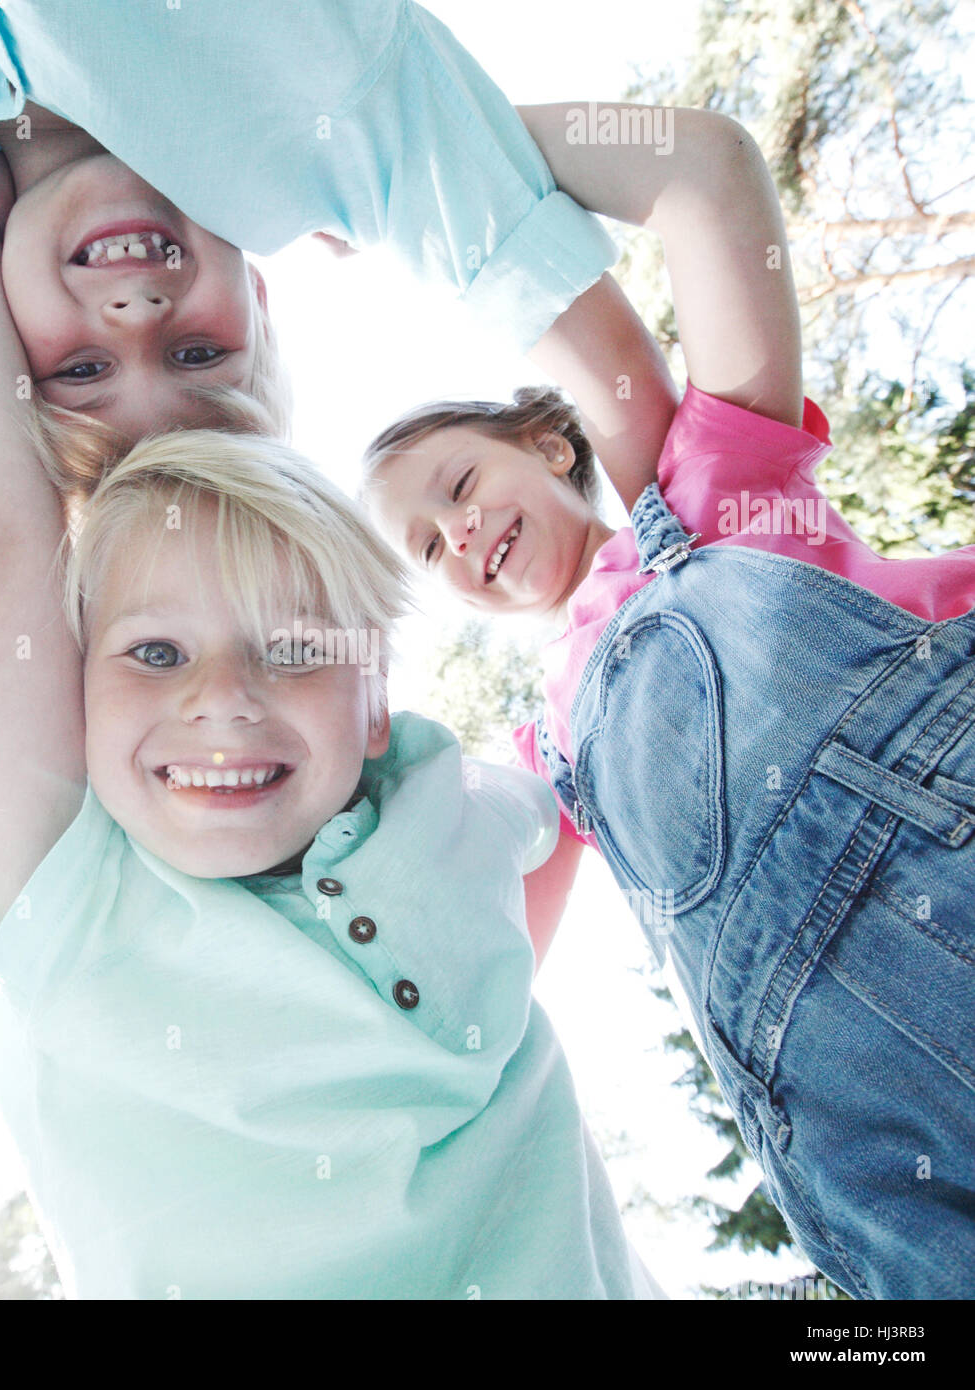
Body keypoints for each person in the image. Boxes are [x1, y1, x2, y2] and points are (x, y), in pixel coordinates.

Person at [0, 157, 661, 1299]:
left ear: (376, 701)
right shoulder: (66, 888)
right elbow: (4, 533)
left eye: (293, 651)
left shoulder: (454, 793)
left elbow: (606, 790)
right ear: (74, 703)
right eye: (155, 653)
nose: (220, 695)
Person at [362, 101, 975, 1299]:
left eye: (455, 483)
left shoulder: (709, 492)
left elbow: (705, 174)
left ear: (542, 444)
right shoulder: (547, 760)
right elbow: (464, 990)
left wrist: (399, 155)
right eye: (427, 549)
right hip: (867, 1161)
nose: (459, 533)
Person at [0, 0, 674, 477]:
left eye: (79, 373)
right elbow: (596, 356)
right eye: (203, 355)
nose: (138, 315)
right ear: (261, 296)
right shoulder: (307, 102)